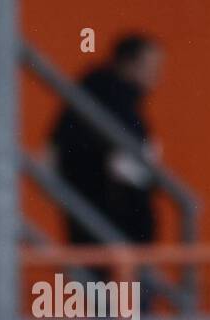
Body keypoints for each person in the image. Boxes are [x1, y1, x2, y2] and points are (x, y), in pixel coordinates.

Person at [50, 34, 163, 248]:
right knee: (106, 273)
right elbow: (128, 164)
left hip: (93, 214)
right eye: (152, 67)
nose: (157, 76)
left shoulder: (94, 94)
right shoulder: (113, 101)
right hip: (108, 214)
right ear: (128, 64)